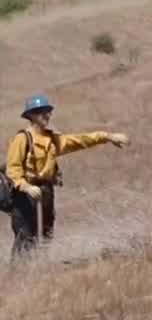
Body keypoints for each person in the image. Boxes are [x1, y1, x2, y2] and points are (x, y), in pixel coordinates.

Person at [5, 95, 129, 260]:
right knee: (25, 238)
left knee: (46, 236)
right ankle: (18, 277)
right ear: (31, 115)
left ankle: (38, 273)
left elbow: (79, 140)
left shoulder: (52, 139)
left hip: (46, 193)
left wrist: (107, 137)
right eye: (42, 112)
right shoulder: (22, 139)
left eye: (48, 112)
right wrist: (26, 187)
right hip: (25, 196)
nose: (47, 115)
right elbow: (13, 169)